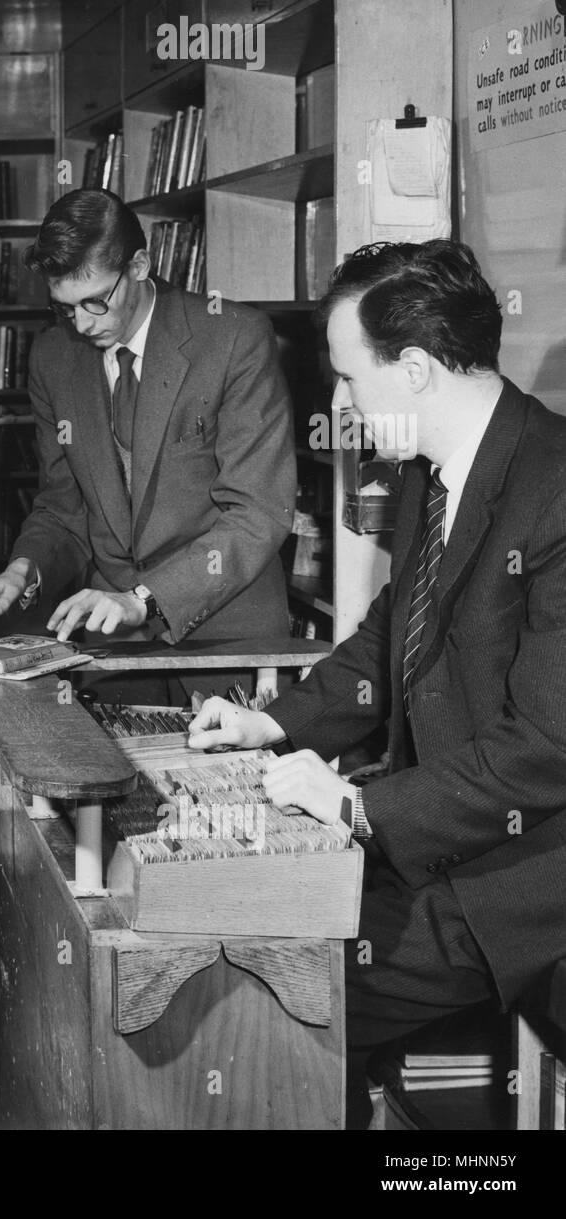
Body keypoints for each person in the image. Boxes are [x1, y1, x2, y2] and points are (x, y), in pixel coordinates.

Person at [187, 239, 566, 1127]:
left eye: (350, 379)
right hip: (443, 845)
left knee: (268, 1007)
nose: (339, 403)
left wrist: (359, 809)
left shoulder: (556, 486)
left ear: (418, 369)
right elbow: (388, 640)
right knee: (249, 959)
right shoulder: (440, 476)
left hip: (525, 879)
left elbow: (550, 745)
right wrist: (272, 727)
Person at [0, 189, 295, 697]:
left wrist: (147, 597)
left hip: (229, 636)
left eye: (96, 300)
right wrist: (23, 569)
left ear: (139, 265)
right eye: (64, 307)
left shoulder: (233, 339)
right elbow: (63, 508)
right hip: (115, 644)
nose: (83, 323)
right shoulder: (54, 358)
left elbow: (258, 513)